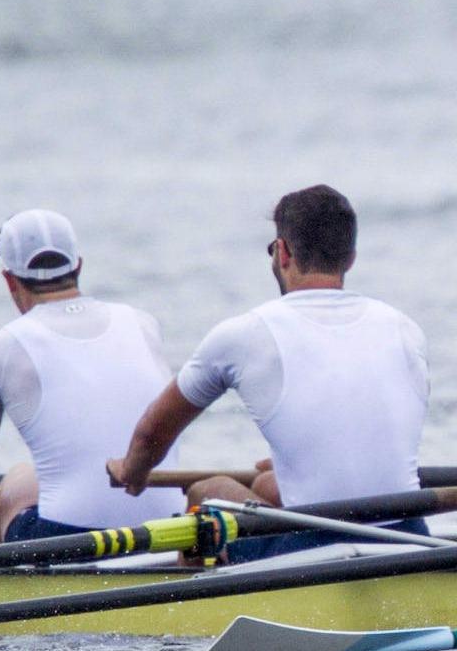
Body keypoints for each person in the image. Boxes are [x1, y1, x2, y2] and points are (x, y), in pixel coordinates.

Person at [110, 185, 429, 564]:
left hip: (314, 553)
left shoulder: (245, 334)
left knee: (207, 493)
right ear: (351, 258)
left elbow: (151, 433)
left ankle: (192, 616)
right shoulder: (405, 329)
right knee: (266, 485)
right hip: (413, 542)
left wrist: (132, 472)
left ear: (283, 252)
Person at [0, 210, 182, 546]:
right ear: (78, 266)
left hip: (69, 543)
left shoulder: (0, 347)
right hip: (165, 535)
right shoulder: (142, 322)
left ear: (9, 280)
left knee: (18, 481)